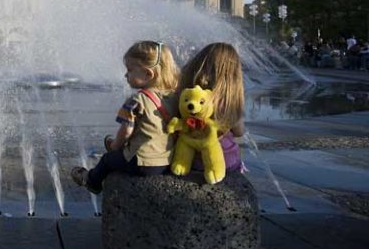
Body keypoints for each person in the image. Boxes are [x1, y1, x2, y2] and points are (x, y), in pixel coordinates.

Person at [71, 41, 180, 193]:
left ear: (148, 74)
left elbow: (126, 132)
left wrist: (115, 147)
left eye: (130, 70)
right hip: (166, 161)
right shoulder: (173, 98)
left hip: (142, 163)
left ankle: (91, 181)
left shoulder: (136, 101)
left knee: (108, 160)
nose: (125, 75)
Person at [178, 43, 246, 173]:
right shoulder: (228, 102)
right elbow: (239, 132)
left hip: (190, 160)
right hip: (226, 161)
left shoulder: (187, 97)